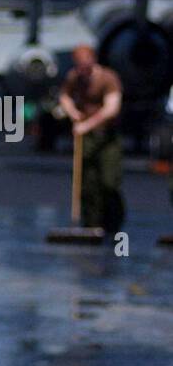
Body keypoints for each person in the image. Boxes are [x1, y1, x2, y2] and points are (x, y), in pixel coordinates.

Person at [58, 45, 124, 233]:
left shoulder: (107, 78)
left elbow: (112, 109)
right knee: (87, 182)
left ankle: (113, 224)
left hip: (106, 136)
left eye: (85, 66)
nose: (83, 71)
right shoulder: (74, 77)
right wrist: (73, 113)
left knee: (109, 181)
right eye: (79, 66)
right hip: (85, 137)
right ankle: (91, 225)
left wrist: (87, 124)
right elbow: (64, 96)